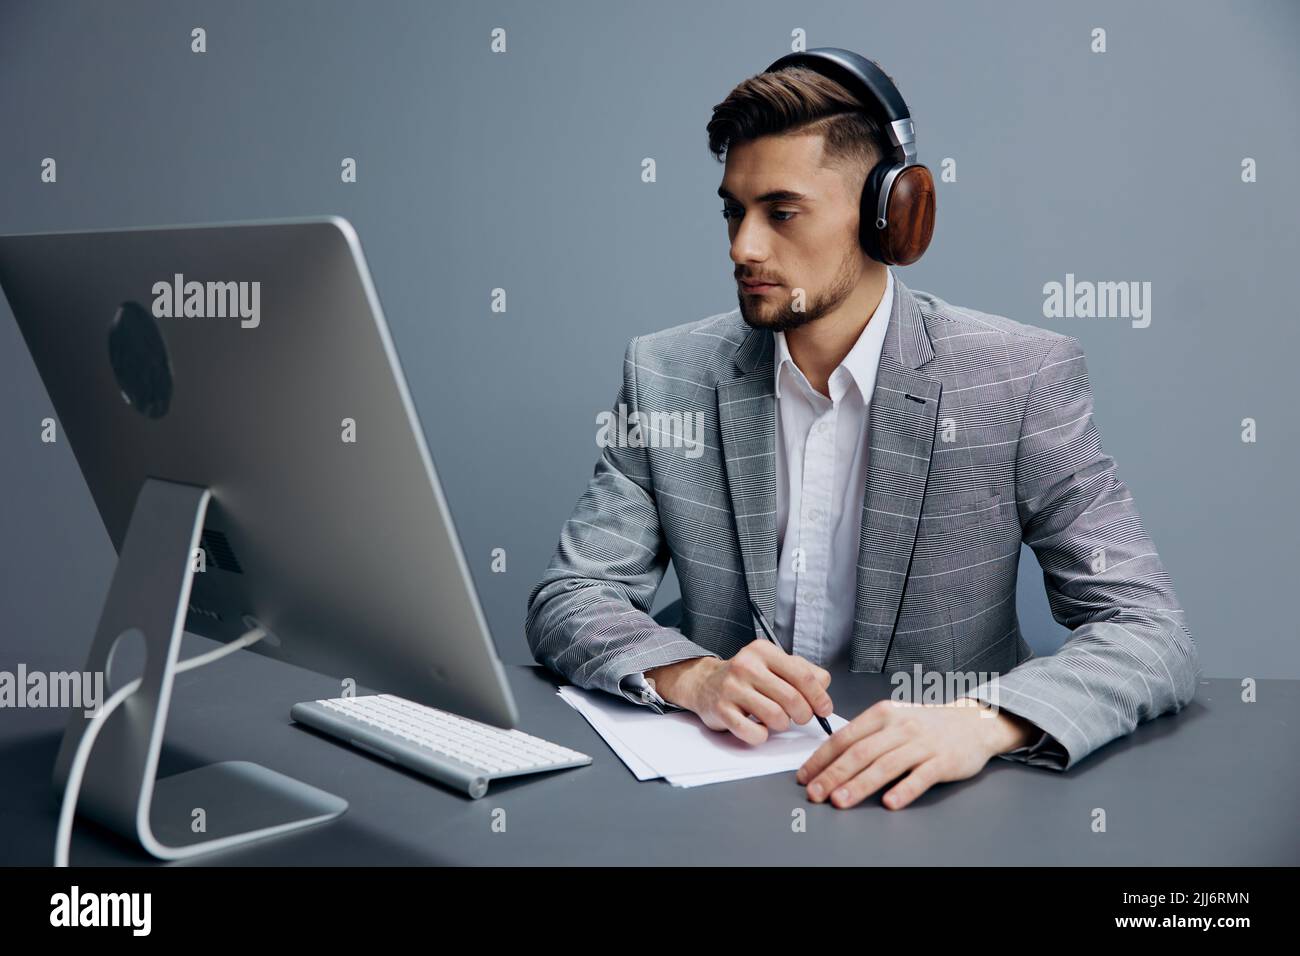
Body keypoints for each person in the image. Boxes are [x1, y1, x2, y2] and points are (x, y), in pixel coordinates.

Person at [526, 53, 1198, 810]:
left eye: (781, 212)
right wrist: (695, 677)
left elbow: (1146, 631)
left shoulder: (1019, 380)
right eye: (732, 211)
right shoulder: (665, 373)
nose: (743, 247)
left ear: (892, 216)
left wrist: (978, 723)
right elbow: (573, 595)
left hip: (941, 805)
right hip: (722, 794)